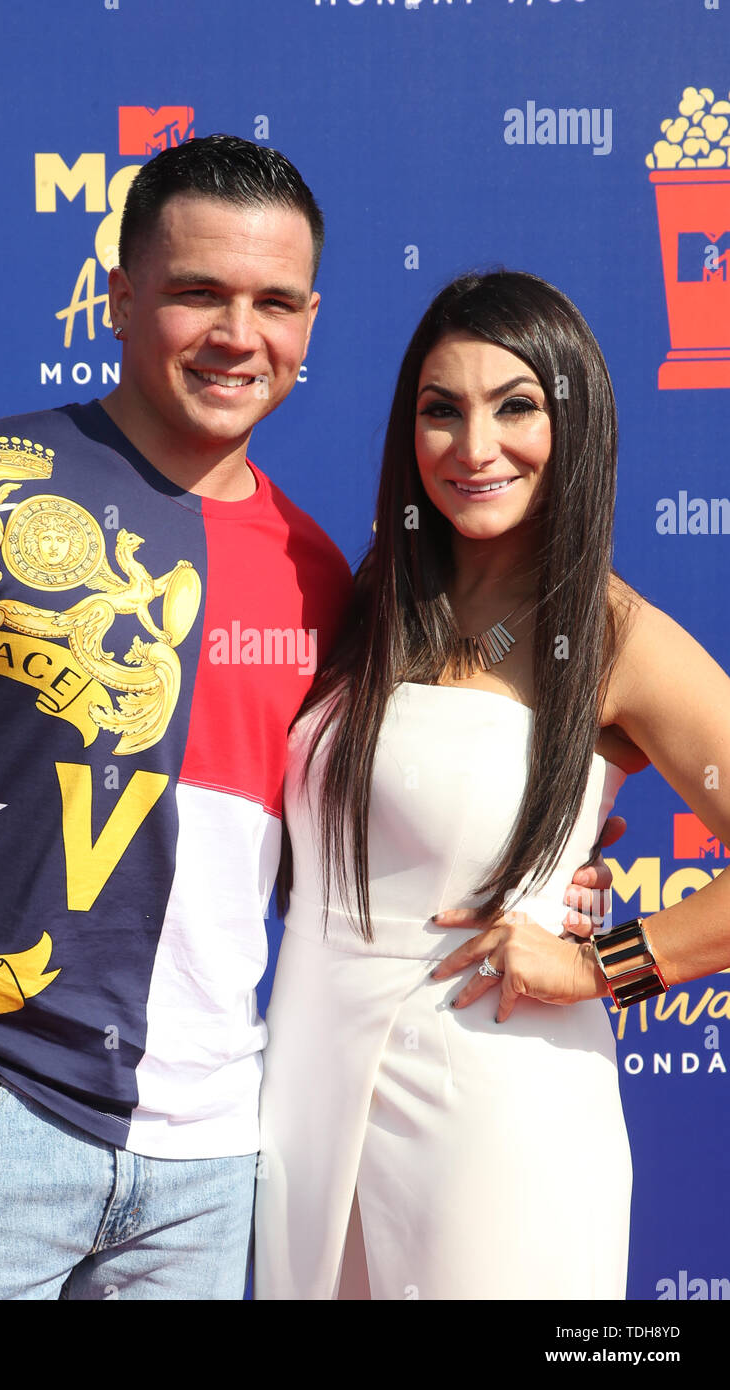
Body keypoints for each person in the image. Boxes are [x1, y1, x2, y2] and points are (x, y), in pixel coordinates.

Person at [0, 142, 615, 1302]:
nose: (239, 334)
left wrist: (542, 876)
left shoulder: (326, 576)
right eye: (197, 293)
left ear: (310, 323)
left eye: (274, 302)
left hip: (216, 1168)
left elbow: (360, 820)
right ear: (118, 297)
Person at [254, 269, 730, 1301]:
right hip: (302, 1079)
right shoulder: (373, 598)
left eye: (515, 406)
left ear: (574, 421)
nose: (473, 448)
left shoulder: (612, 636)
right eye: (440, 410)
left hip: (495, 1096)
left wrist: (604, 965)